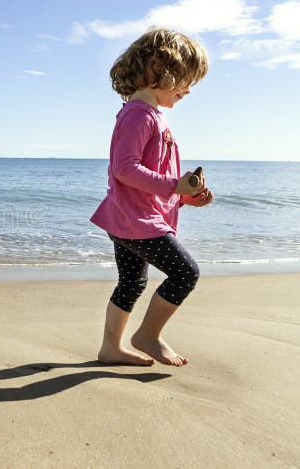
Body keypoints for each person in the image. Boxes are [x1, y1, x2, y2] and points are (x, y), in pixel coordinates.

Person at [90, 28, 213, 367]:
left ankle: (110, 348)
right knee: (185, 273)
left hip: (128, 215)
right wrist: (176, 185)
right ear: (160, 69)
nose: (187, 91)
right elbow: (124, 170)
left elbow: (146, 177)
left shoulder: (149, 115)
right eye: (185, 81)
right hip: (136, 220)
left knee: (132, 281)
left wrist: (185, 197)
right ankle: (147, 336)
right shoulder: (139, 115)